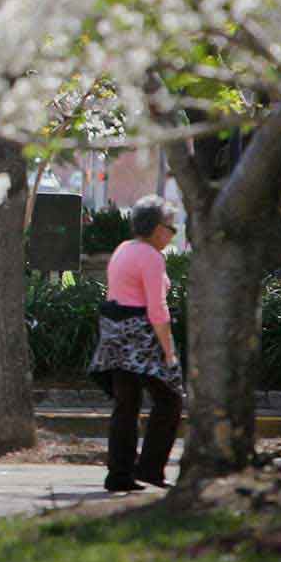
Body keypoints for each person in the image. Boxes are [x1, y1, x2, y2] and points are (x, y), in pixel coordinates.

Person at [89, 196, 183, 492]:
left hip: (115, 336)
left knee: (126, 406)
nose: (172, 235)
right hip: (141, 338)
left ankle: (119, 474)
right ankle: (150, 468)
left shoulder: (123, 249)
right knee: (170, 400)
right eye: (171, 228)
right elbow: (157, 309)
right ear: (157, 228)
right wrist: (169, 352)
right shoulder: (151, 257)